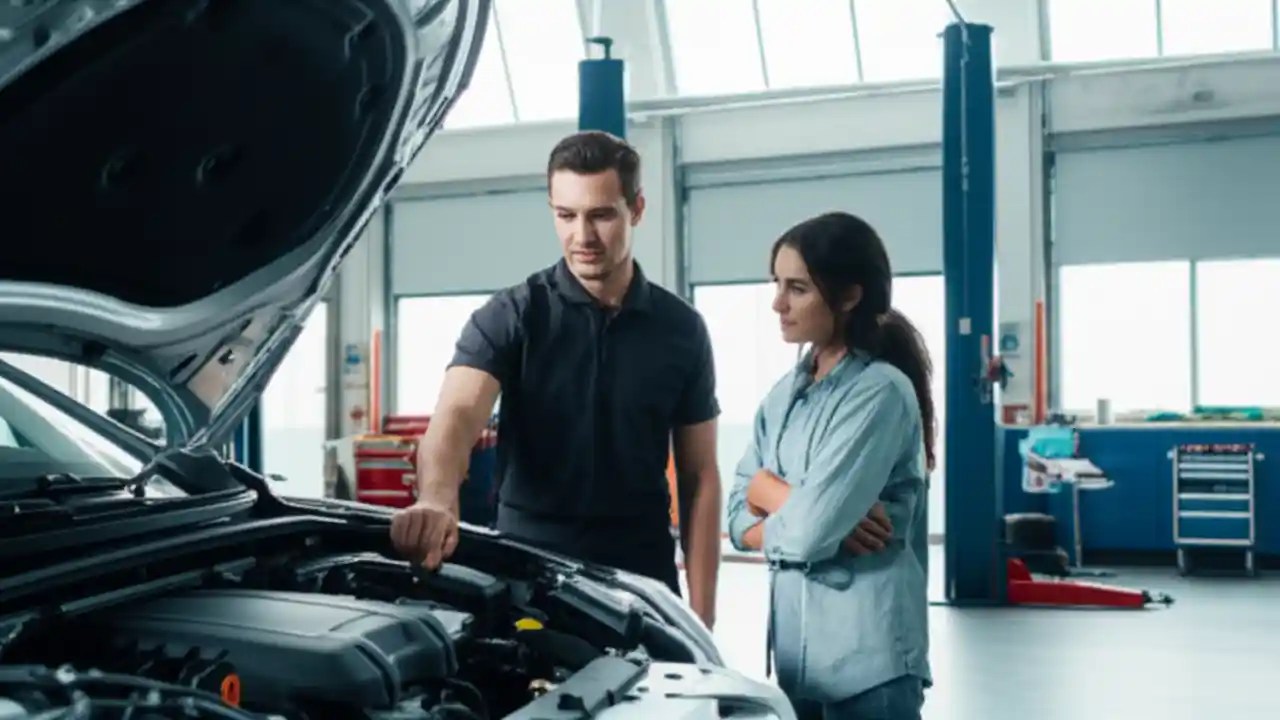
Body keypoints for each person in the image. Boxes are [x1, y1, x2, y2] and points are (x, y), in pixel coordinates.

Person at [389, 130, 722, 628]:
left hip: (642, 577)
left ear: (637, 209)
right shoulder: (511, 315)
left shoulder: (682, 330)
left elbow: (700, 480)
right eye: (566, 215)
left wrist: (703, 619)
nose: (582, 236)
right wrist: (437, 497)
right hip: (528, 571)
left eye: (602, 215)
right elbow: (457, 414)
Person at [725, 211, 935, 719]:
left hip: (870, 667)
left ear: (848, 296)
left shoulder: (880, 392)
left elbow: (805, 534)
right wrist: (806, 511)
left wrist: (770, 494)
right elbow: (734, 517)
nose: (777, 303)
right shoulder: (785, 396)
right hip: (799, 665)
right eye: (777, 284)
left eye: (797, 288)